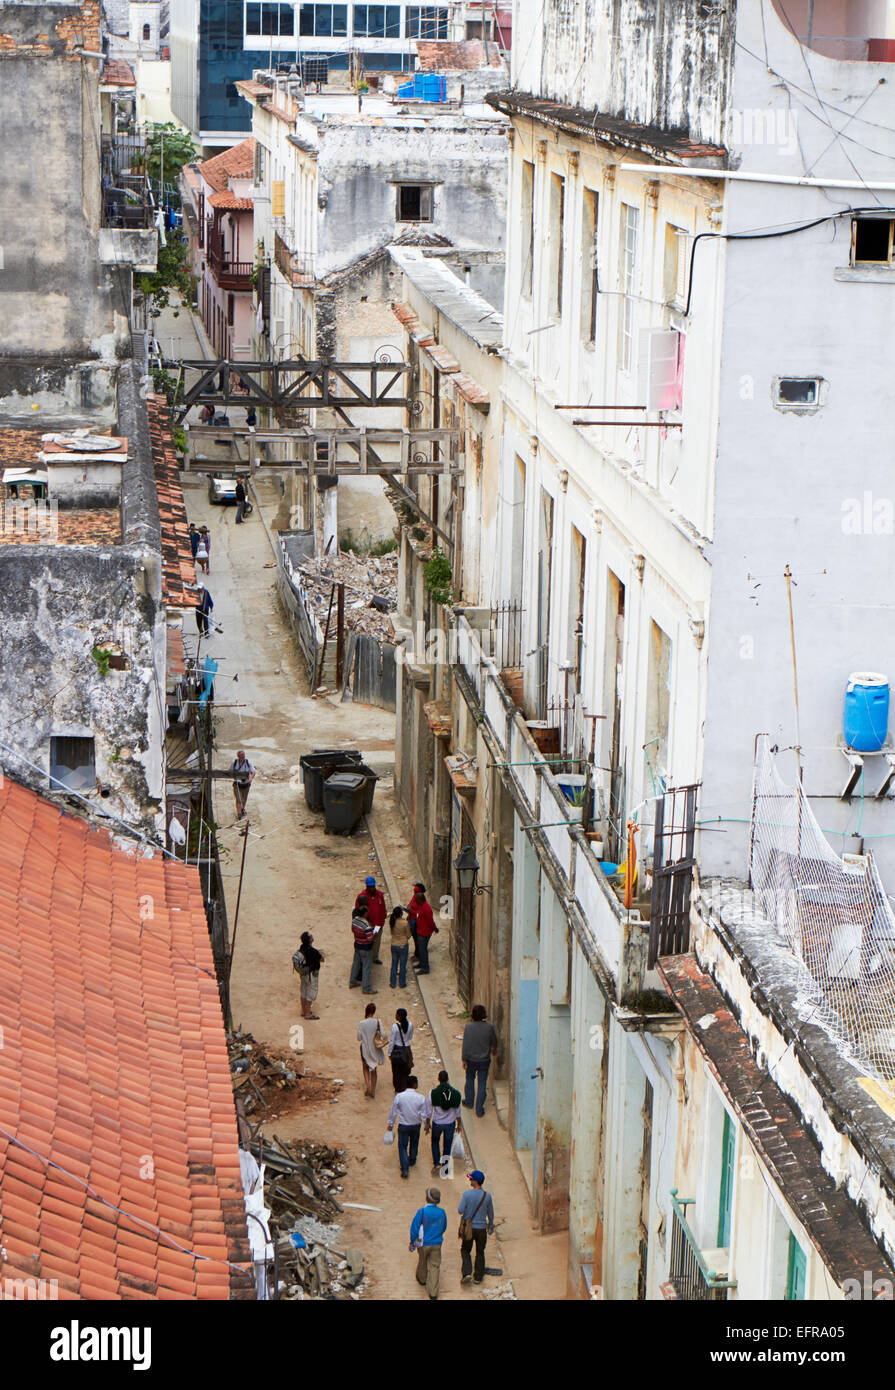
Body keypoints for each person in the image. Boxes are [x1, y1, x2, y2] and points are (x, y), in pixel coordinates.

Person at [410, 1187, 447, 1301]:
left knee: (423, 1261)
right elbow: (444, 1227)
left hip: (423, 1243)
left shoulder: (422, 1212)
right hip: (437, 1243)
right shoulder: (442, 1212)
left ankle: (422, 1279)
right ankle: (433, 1293)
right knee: (435, 1266)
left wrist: (412, 1242)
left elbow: (414, 1229)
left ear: (427, 1198)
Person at [387, 1076, 428, 1179]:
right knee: (414, 1143)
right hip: (415, 1125)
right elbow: (424, 1114)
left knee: (403, 1147)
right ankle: (412, 1160)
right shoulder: (421, 1098)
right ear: (414, 1085)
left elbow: (393, 1111)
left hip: (404, 1125)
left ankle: (405, 1170)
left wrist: (390, 1124)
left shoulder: (399, 1097)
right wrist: (426, 1125)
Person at [458, 1170, 494, 1284]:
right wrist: (491, 1225)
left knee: (465, 1250)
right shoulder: (487, 1196)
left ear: (475, 1181)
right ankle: (478, 1276)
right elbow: (490, 1214)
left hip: (469, 1228)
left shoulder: (467, 1194)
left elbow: (460, 1210)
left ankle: (467, 1273)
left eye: (471, 1178)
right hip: (481, 1229)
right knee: (480, 1251)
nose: (470, 1180)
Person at [461, 1004, 498, 1117]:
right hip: (484, 1061)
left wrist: (464, 1059)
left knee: (470, 1079)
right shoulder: (489, 1027)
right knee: (482, 1083)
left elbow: (465, 1045)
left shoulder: (468, 1027)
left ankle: (469, 1101)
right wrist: (493, 1049)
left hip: (471, 1060)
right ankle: (479, 1109)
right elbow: (494, 1042)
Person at [426, 1070, 462, 1174]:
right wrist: (459, 1124)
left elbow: (429, 1110)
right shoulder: (456, 1094)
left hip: (437, 1123)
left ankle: (436, 1164)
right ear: (447, 1079)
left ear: (438, 1079)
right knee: (447, 1145)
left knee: (435, 1142)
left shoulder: (432, 1093)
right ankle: (445, 1168)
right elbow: (458, 1111)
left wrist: (428, 1123)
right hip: (450, 1124)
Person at [357, 1001, 386, 1098]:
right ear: (374, 1012)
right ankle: (373, 1090)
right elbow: (384, 1035)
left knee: (365, 1067)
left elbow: (359, 1037)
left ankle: (367, 1085)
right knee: (374, 1069)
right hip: (375, 1048)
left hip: (365, 1048)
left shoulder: (362, 1023)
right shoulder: (378, 1022)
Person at [348, 903, 379, 995]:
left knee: (355, 964)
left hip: (357, 945)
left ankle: (352, 982)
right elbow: (369, 938)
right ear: (365, 914)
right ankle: (366, 988)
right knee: (366, 967)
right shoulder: (366, 925)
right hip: (366, 948)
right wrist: (374, 933)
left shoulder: (354, 921)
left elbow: (353, 930)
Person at [356, 876, 386, 965]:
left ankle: (375, 957)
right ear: (367, 886)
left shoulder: (380, 895)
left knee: (377, 942)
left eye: (373, 886)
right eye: (370, 887)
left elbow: (383, 907)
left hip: (378, 924)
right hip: (368, 925)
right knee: (367, 942)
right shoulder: (362, 896)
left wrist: (383, 918)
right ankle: (366, 959)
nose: (372, 888)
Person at [295, 930, 323, 1020]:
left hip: (303, 974)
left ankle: (303, 1011)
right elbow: (322, 959)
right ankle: (307, 1014)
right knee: (310, 993)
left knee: (303, 991)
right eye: (311, 936)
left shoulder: (301, 948)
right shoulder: (313, 951)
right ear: (310, 940)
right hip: (311, 975)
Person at [412, 889, 438, 975]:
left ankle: (425, 968)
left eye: (416, 900)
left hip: (424, 932)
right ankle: (422, 964)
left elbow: (430, 921)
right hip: (420, 931)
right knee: (421, 949)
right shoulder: (421, 906)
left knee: (423, 950)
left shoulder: (426, 909)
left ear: (420, 900)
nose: (415, 901)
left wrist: (435, 928)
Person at [388, 1008, 414, 1094]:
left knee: (396, 1071)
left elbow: (392, 1041)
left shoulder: (395, 1027)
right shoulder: (410, 1025)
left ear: (399, 1016)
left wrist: (389, 1053)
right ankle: (404, 1087)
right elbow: (410, 1037)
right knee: (405, 1070)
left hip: (397, 1049)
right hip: (407, 1050)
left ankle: (397, 1089)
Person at [389, 905, 411, 989]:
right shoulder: (405, 923)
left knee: (394, 964)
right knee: (402, 965)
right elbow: (408, 935)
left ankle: (392, 983)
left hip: (394, 944)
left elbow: (392, 933)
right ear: (401, 914)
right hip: (402, 945)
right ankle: (402, 983)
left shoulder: (392, 921)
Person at [231, 750, 255, 818]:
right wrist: (234, 777)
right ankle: (239, 814)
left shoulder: (248, 762)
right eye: (241, 755)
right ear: (238, 756)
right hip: (237, 783)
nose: (243, 756)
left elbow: (253, 772)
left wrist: (250, 778)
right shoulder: (234, 763)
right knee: (239, 799)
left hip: (246, 783)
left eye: (243, 755)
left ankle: (242, 809)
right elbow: (230, 771)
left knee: (244, 798)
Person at [407, 882, 425, 962]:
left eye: (416, 892)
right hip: (411, 920)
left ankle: (418, 955)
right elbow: (409, 905)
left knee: (417, 939)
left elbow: (420, 914)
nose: (414, 893)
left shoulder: (421, 901)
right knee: (414, 939)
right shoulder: (414, 897)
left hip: (416, 922)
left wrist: (412, 911)